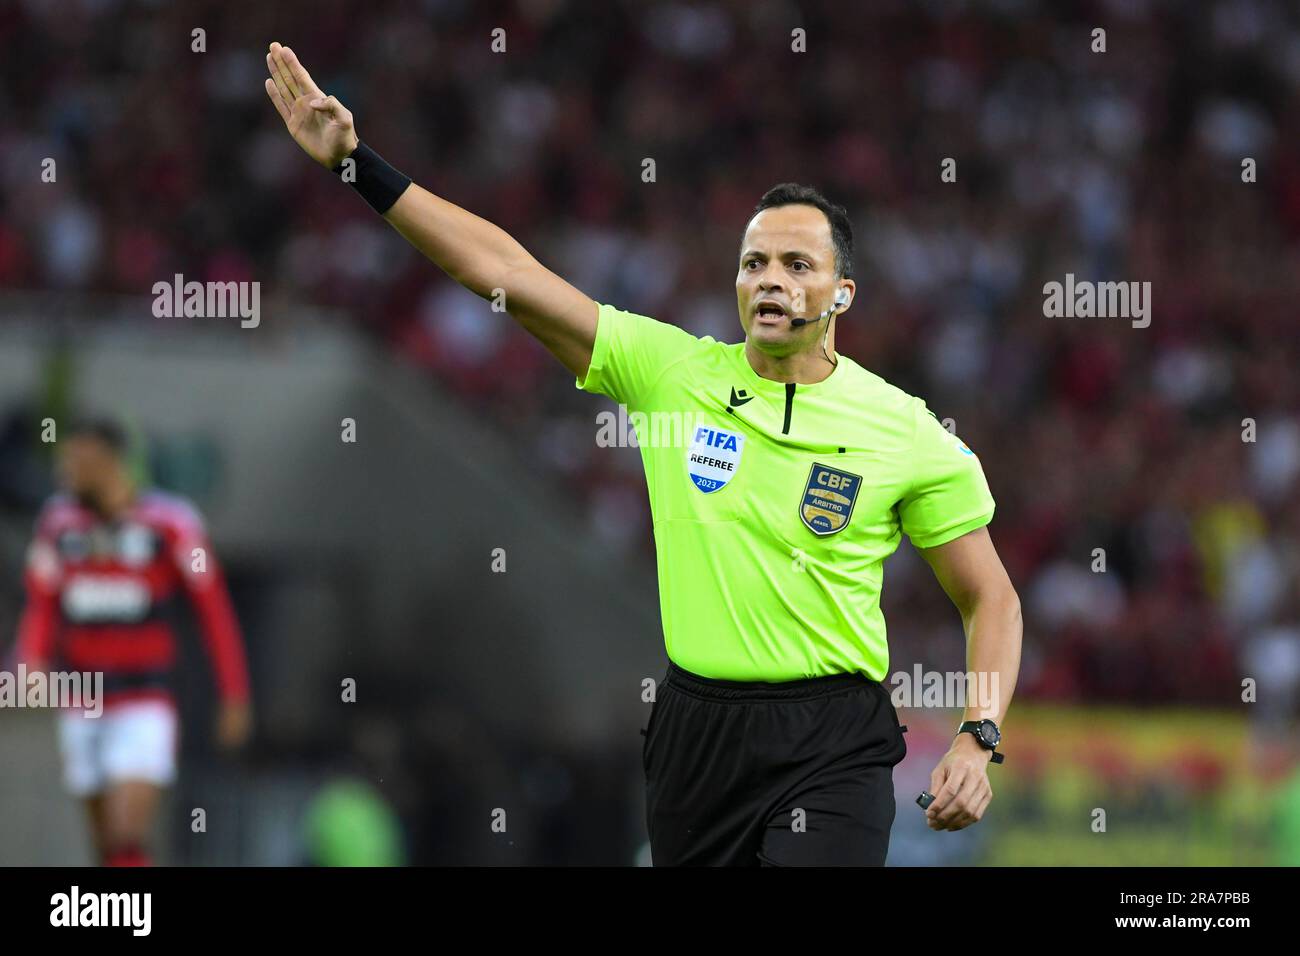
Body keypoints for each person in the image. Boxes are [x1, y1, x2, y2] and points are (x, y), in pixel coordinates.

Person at [264, 40, 1022, 865]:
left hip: (831, 740)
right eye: (754, 263)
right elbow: (509, 272)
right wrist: (357, 168)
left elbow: (991, 599)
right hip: (695, 737)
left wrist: (977, 738)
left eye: (797, 264)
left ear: (842, 293)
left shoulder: (903, 427)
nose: (770, 279)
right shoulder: (674, 373)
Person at [13, 418, 252, 866]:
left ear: (113, 464)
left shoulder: (172, 524)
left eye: (77, 461)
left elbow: (214, 612)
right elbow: (41, 604)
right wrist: (31, 661)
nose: (65, 471)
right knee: (105, 842)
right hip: (81, 700)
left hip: (144, 700)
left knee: (126, 832)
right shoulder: (59, 524)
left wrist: (234, 692)